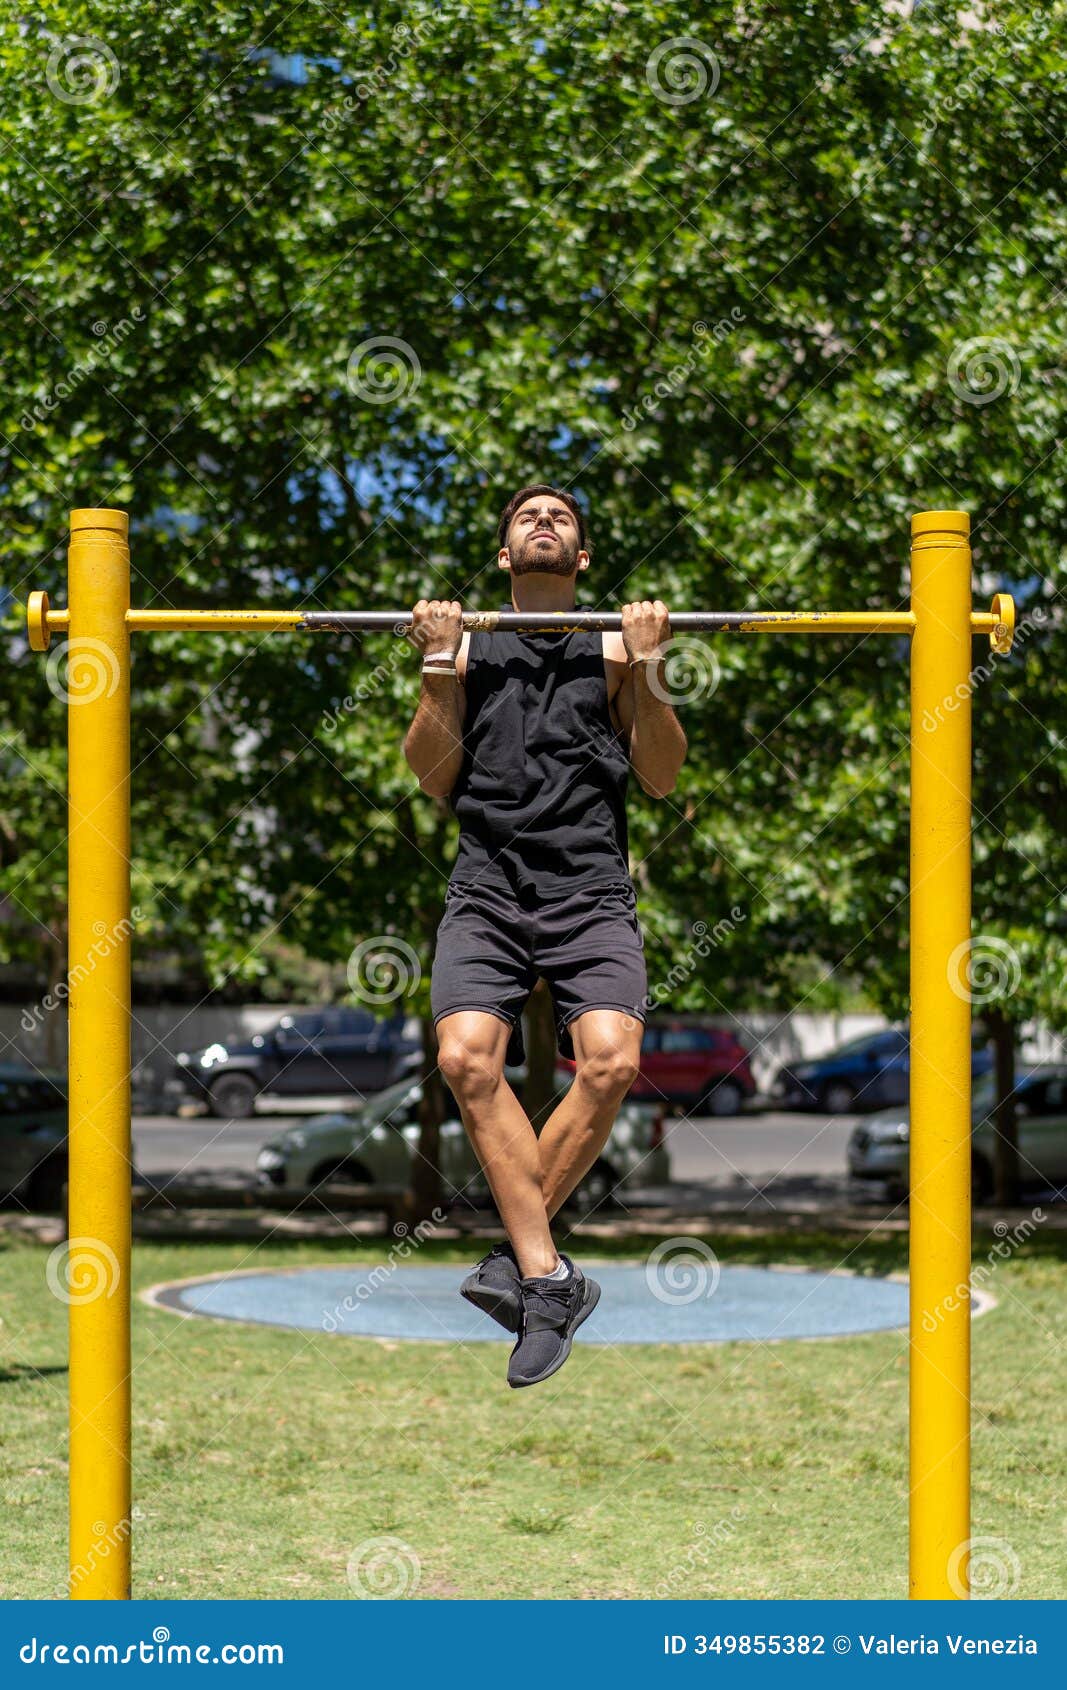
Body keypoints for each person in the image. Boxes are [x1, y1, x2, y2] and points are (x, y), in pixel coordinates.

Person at [403, 485, 687, 1386]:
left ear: (582, 558)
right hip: (487, 885)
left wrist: (645, 668)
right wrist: (437, 668)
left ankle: (522, 1269)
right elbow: (431, 775)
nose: (542, 522)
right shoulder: (469, 643)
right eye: (526, 517)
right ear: (502, 557)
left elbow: (661, 776)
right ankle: (547, 1279)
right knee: (465, 1059)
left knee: (608, 1060)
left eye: (559, 517)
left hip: (589, 886)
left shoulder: (613, 645)